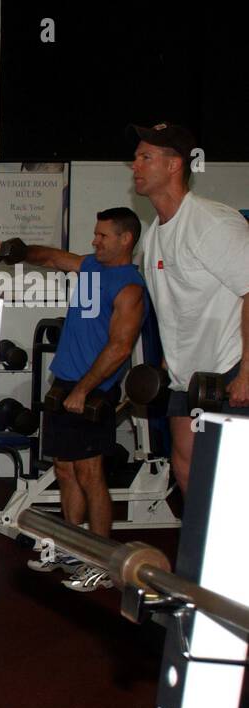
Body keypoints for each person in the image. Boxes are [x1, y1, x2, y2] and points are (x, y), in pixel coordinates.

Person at [0, 208, 151, 592]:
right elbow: (52, 257)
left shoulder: (129, 287)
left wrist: (84, 389)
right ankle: (74, 548)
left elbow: (121, 347)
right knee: (64, 469)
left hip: (95, 388)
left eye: (103, 236)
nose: (95, 241)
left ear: (125, 239)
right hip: (67, 380)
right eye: (95, 234)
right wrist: (15, 250)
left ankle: (103, 561)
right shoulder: (90, 267)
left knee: (91, 472)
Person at [130, 122, 249, 493]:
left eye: (145, 157)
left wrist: (247, 372)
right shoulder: (154, 234)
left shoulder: (212, 224)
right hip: (189, 378)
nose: (135, 164)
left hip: (229, 370)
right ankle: (204, 550)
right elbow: (175, 306)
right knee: (186, 470)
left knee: (232, 479)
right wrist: (169, 363)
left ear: (173, 165)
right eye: (135, 156)